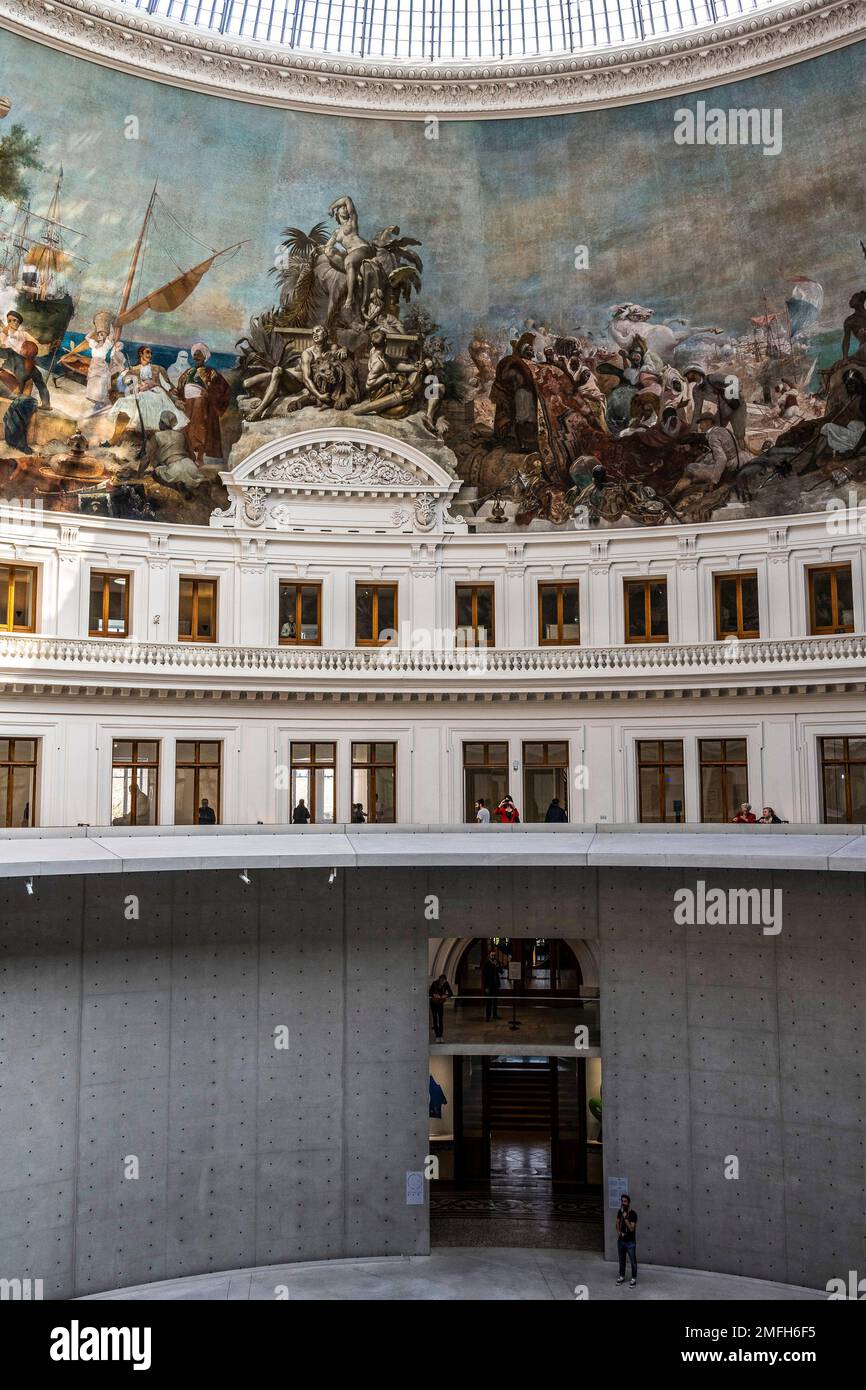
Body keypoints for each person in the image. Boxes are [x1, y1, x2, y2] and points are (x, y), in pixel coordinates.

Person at [105, 346, 188, 443]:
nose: (150, 355)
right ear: (140, 354)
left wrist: (174, 398)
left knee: (147, 404)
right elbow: (124, 382)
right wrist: (134, 383)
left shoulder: (158, 368)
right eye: (147, 352)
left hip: (156, 393)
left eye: (151, 353)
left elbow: (168, 385)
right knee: (124, 404)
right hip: (140, 393)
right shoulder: (133, 369)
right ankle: (115, 438)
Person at [176, 343, 230, 465]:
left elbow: (223, 387)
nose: (196, 357)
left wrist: (209, 393)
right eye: (195, 355)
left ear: (204, 356)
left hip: (200, 403)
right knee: (186, 428)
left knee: (199, 428)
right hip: (187, 403)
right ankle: (189, 456)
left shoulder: (210, 372)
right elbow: (180, 388)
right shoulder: (188, 372)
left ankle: (200, 458)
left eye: (199, 355)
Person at [0, 310, 50, 407]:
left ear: (19, 323)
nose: (11, 323)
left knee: (38, 376)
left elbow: (38, 346)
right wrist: (3, 334)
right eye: (9, 320)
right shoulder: (3, 334)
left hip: (24, 362)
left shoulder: (24, 334)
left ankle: (46, 404)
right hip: (9, 362)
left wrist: (50, 346)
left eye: (15, 320)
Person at [615, 1193, 638, 1287]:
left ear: (628, 1202)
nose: (623, 1203)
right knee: (621, 1260)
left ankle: (633, 1279)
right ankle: (621, 1276)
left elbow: (632, 1229)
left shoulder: (633, 1214)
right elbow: (617, 1222)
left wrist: (625, 1218)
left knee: (633, 1261)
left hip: (630, 1242)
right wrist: (618, 1232)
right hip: (621, 1241)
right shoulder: (619, 1212)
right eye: (622, 1201)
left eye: (625, 1201)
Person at [429, 974, 453, 1042]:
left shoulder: (446, 984)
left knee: (440, 1019)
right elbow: (429, 992)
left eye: (444, 981)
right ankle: (437, 1036)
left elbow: (451, 993)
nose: (442, 982)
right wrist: (434, 994)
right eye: (441, 981)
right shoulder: (434, 983)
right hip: (433, 1003)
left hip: (440, 1003)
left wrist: (445, 995)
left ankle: (441, 1036)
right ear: (439, 980)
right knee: (435, 1019)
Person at [482, 949, 501, 1022]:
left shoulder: (497, 962)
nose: (493, 956)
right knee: (488, 1002)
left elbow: (501, 971)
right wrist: (486, 987)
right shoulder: (486, 963)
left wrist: (497, 965)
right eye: (492, 955)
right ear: (489, 956)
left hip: (496, 985)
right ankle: (488, 1016)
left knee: (495, 1001)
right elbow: (485, 976)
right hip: (489, 985)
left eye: (494, 955)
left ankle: (495, 1015)